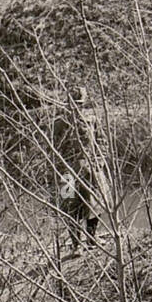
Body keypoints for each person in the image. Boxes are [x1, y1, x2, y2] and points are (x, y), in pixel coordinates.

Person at [53, 86, 107, 252]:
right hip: (68, 171)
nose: (76, 107)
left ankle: (92, 237)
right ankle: (77, 244)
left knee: (95, 203)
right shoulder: (60, 123)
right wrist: (61, 168)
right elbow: (53, 149)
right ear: (67, 104)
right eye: (73, 104)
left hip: (91, 169)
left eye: (80, 104)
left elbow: (102, 141)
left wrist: (99, 161)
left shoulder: (91, 120)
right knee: (70, 206)